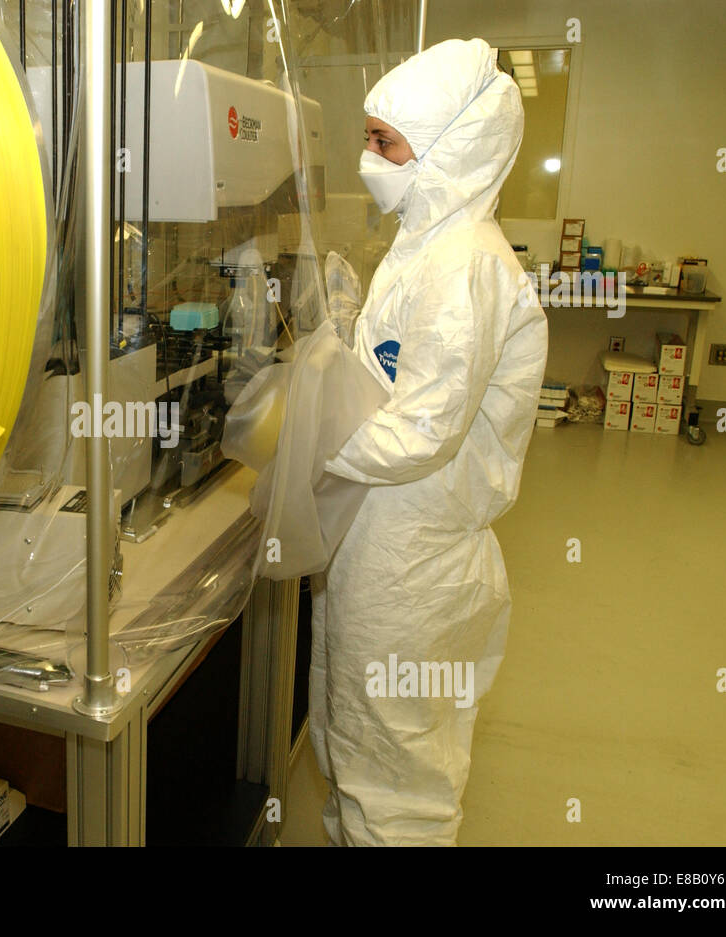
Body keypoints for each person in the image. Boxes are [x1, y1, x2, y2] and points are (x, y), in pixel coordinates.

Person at [309, 37, 549, 845]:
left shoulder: (467, 267)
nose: (368, 157)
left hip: (416, 559)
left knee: (397, 776)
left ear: (451, 149)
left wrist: (305, 436)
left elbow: (422, 431)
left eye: (385, 141)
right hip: (380, 543)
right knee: (352, 740)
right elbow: (394, 374)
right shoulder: (424, 244)